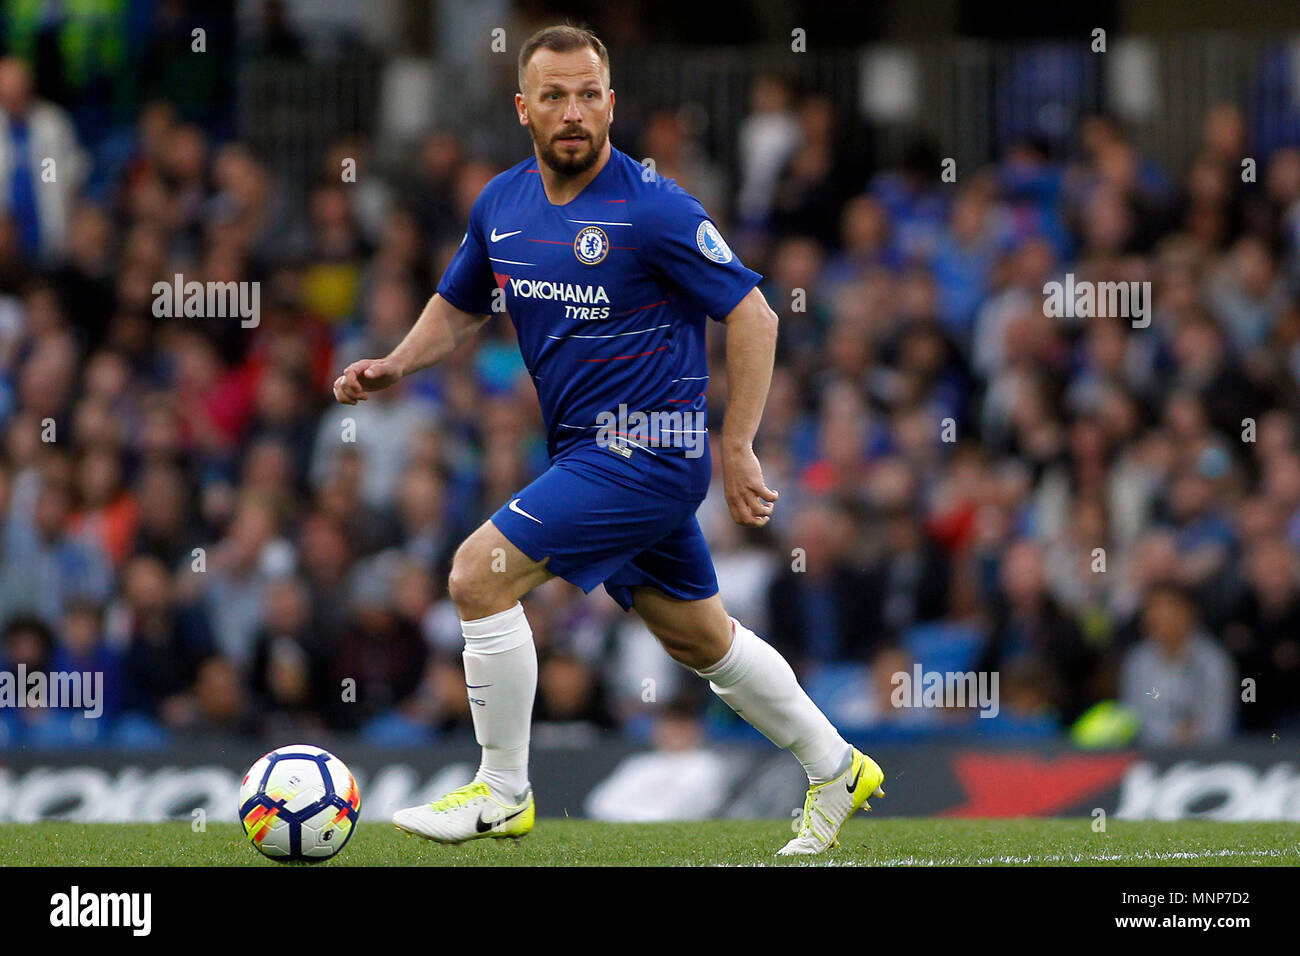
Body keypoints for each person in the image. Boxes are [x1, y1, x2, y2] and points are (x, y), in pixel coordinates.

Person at [332, 24, 883, 856]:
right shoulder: (501, 205)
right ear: (524, 108)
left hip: (651, 451)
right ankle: (836, 766)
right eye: (553, 95)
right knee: (700, 637)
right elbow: (462, 301)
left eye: (590, 93)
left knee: (477, 575)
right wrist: (396, 365)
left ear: (612, 103)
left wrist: (736, 444)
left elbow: (755, 313)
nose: (574, 111)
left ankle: (503, 791)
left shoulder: (653, 206)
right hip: (584, 455)